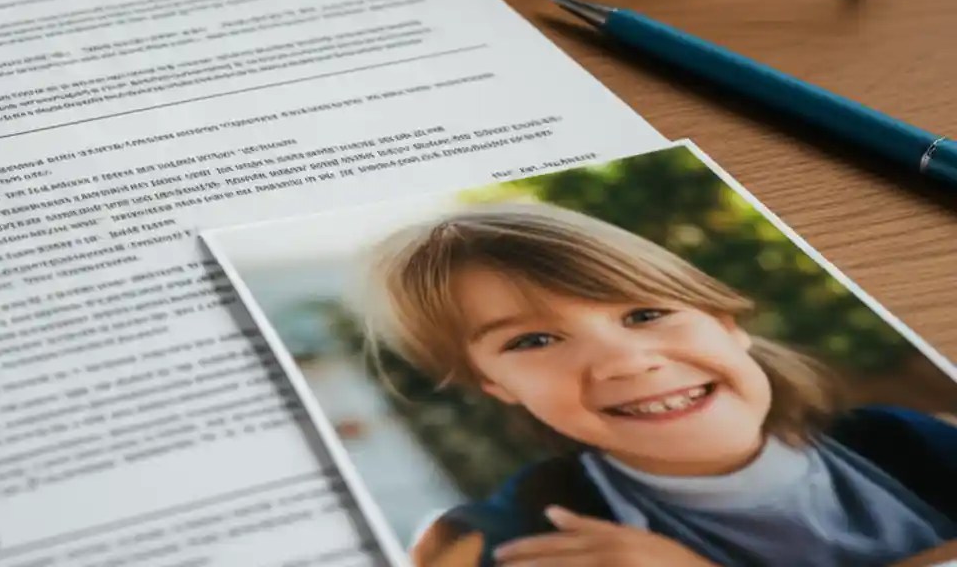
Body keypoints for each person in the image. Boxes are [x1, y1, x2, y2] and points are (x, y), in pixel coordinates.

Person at [360, 203, 957, 567]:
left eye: (644, 314)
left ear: (726, 324)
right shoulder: (526, 535)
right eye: (532, 342)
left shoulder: (902, 443)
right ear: (495, 387)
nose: (626, 363)